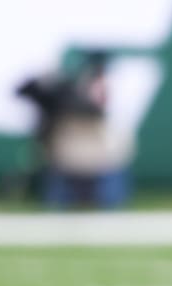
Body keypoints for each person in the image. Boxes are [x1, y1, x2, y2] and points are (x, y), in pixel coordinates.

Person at [15, 50, 134, 209]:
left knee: (109, 172)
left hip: (98, 155)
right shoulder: (58, 93)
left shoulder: (84, 94)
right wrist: (46, 83)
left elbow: (92, 111)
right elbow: (23, 91)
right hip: (63, 154)